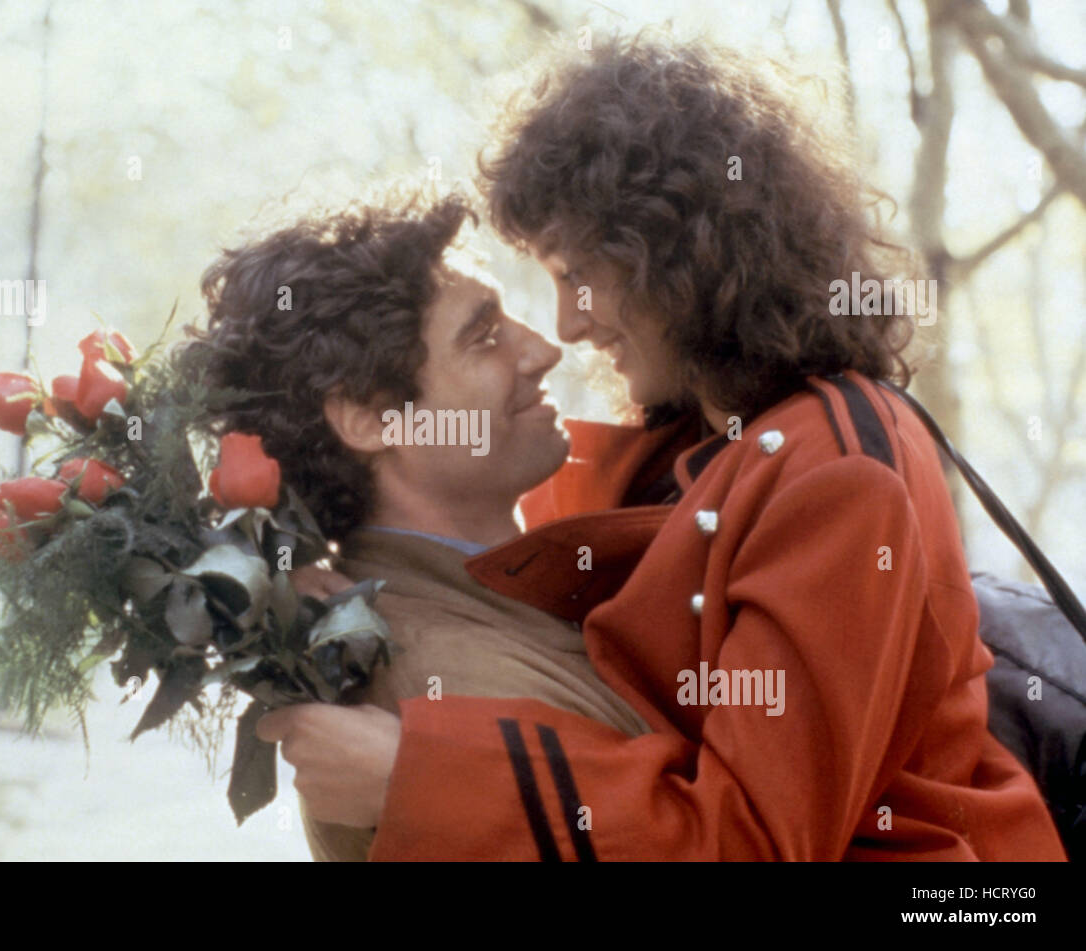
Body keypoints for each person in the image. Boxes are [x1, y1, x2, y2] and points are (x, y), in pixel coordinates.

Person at [257, 36, 1068, 860]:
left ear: (670, 250)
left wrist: (419, 778)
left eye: (577, 274)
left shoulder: (836, 469)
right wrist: (323, 587)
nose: (566, 327)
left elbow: (746, 841)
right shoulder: (692, 444)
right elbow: (490, 561)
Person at [182, 192, 676, 860]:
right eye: (485, 336)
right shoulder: (434, 688)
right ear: (366, 417)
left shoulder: (482, 600)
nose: (542, 349)